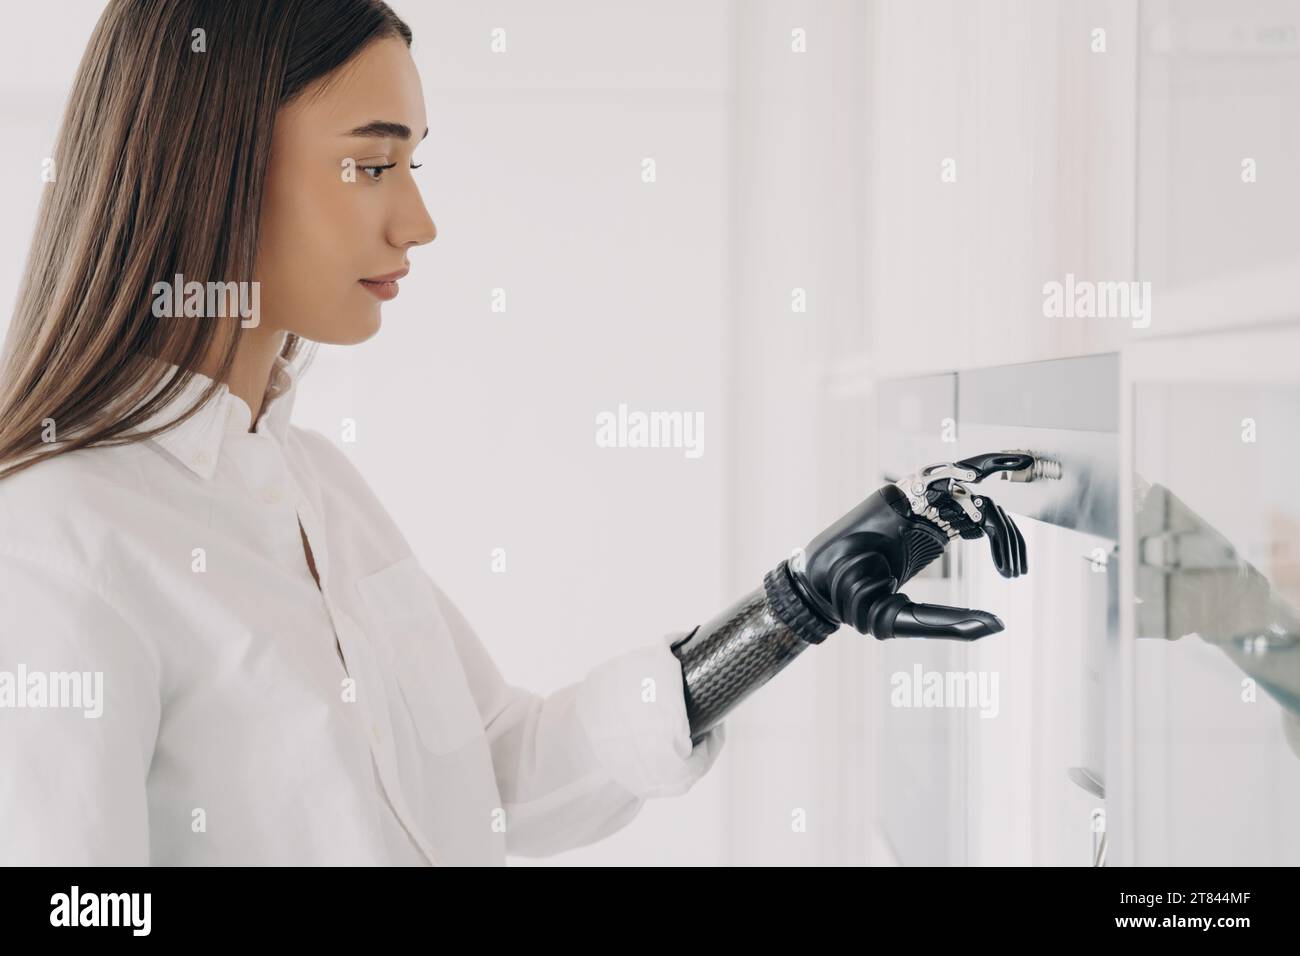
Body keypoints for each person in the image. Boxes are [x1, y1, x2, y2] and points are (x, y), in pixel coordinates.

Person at [0, 0, 1028, 866]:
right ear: (211, 167)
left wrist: (790, 607)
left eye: (414, 164)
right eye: (372, 164)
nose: (418, 221)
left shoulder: (315, 482)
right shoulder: (54, 541)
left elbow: (494, 770)